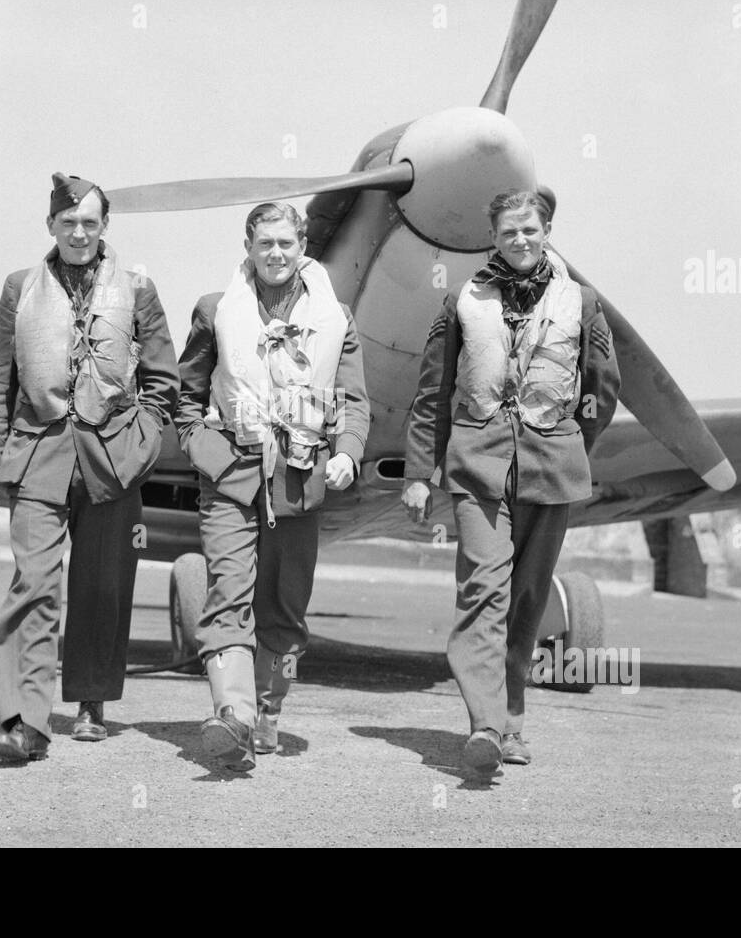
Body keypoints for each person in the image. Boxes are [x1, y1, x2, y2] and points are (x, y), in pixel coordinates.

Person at [401, 188, 620, 776]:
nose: (519, 240)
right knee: (483, 589)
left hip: (552, 471)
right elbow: (431, 396)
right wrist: (421, 474)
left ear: (547, 229)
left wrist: (572, 446)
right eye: (507, 232)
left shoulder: (584, 303)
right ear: (492, 237)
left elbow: (601, 391)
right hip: (477, 469)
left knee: (527, 597)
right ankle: (485, 727)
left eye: (529, 229)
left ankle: (512, 722)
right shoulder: (461, 301)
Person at [0, 173, 179, 763]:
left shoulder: (138, 287)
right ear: (50, 226)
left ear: (104, 226)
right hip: (37, 454)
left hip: (113, 458)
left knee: (102, 584)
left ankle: (91, 701)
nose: (79, 232)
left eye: (90, 222)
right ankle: (24, 720)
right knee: (33, 583)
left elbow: (164, 383)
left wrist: (140, 442)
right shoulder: (20, 287)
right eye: (68, 223)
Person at [176, 201, 369, 772]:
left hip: (301, 479)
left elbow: (355, 403)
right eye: (265, 244)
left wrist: (348, 454)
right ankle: (230, 715)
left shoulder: (339, 317)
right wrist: (208, 455)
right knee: (228, 594)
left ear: (302, 245)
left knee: (285, 610)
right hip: (230, 477)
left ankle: (267, 709)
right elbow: (186, 402)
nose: (276, 254)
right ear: (248, 246)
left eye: (286, 244)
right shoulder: (214, 310)